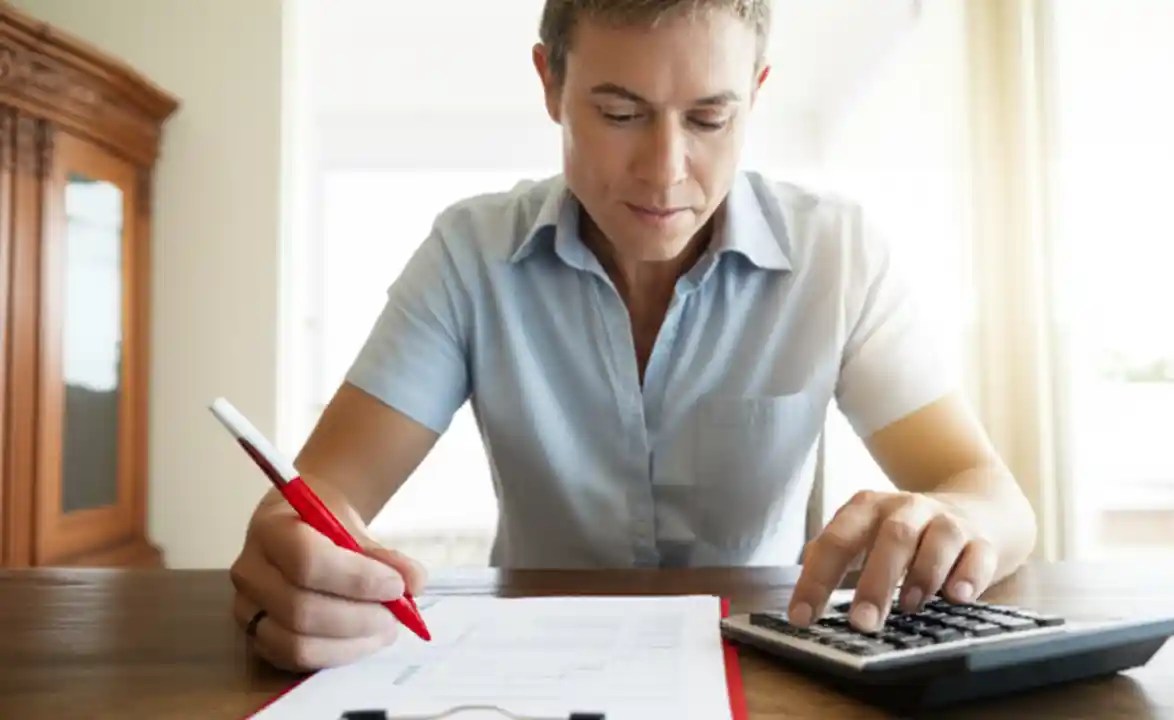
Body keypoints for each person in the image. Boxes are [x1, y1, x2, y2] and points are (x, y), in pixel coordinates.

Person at [229, 0, 1037, 672]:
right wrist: (295, 563)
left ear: (756, 94)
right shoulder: (468, 256)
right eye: (620, 113)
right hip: (531, 674)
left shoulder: (839, 253)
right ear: (550, 82)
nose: (665, 169)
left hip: (765, 670)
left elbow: (990, 495)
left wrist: (953, 526)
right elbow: (319, 500)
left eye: (711, 118)